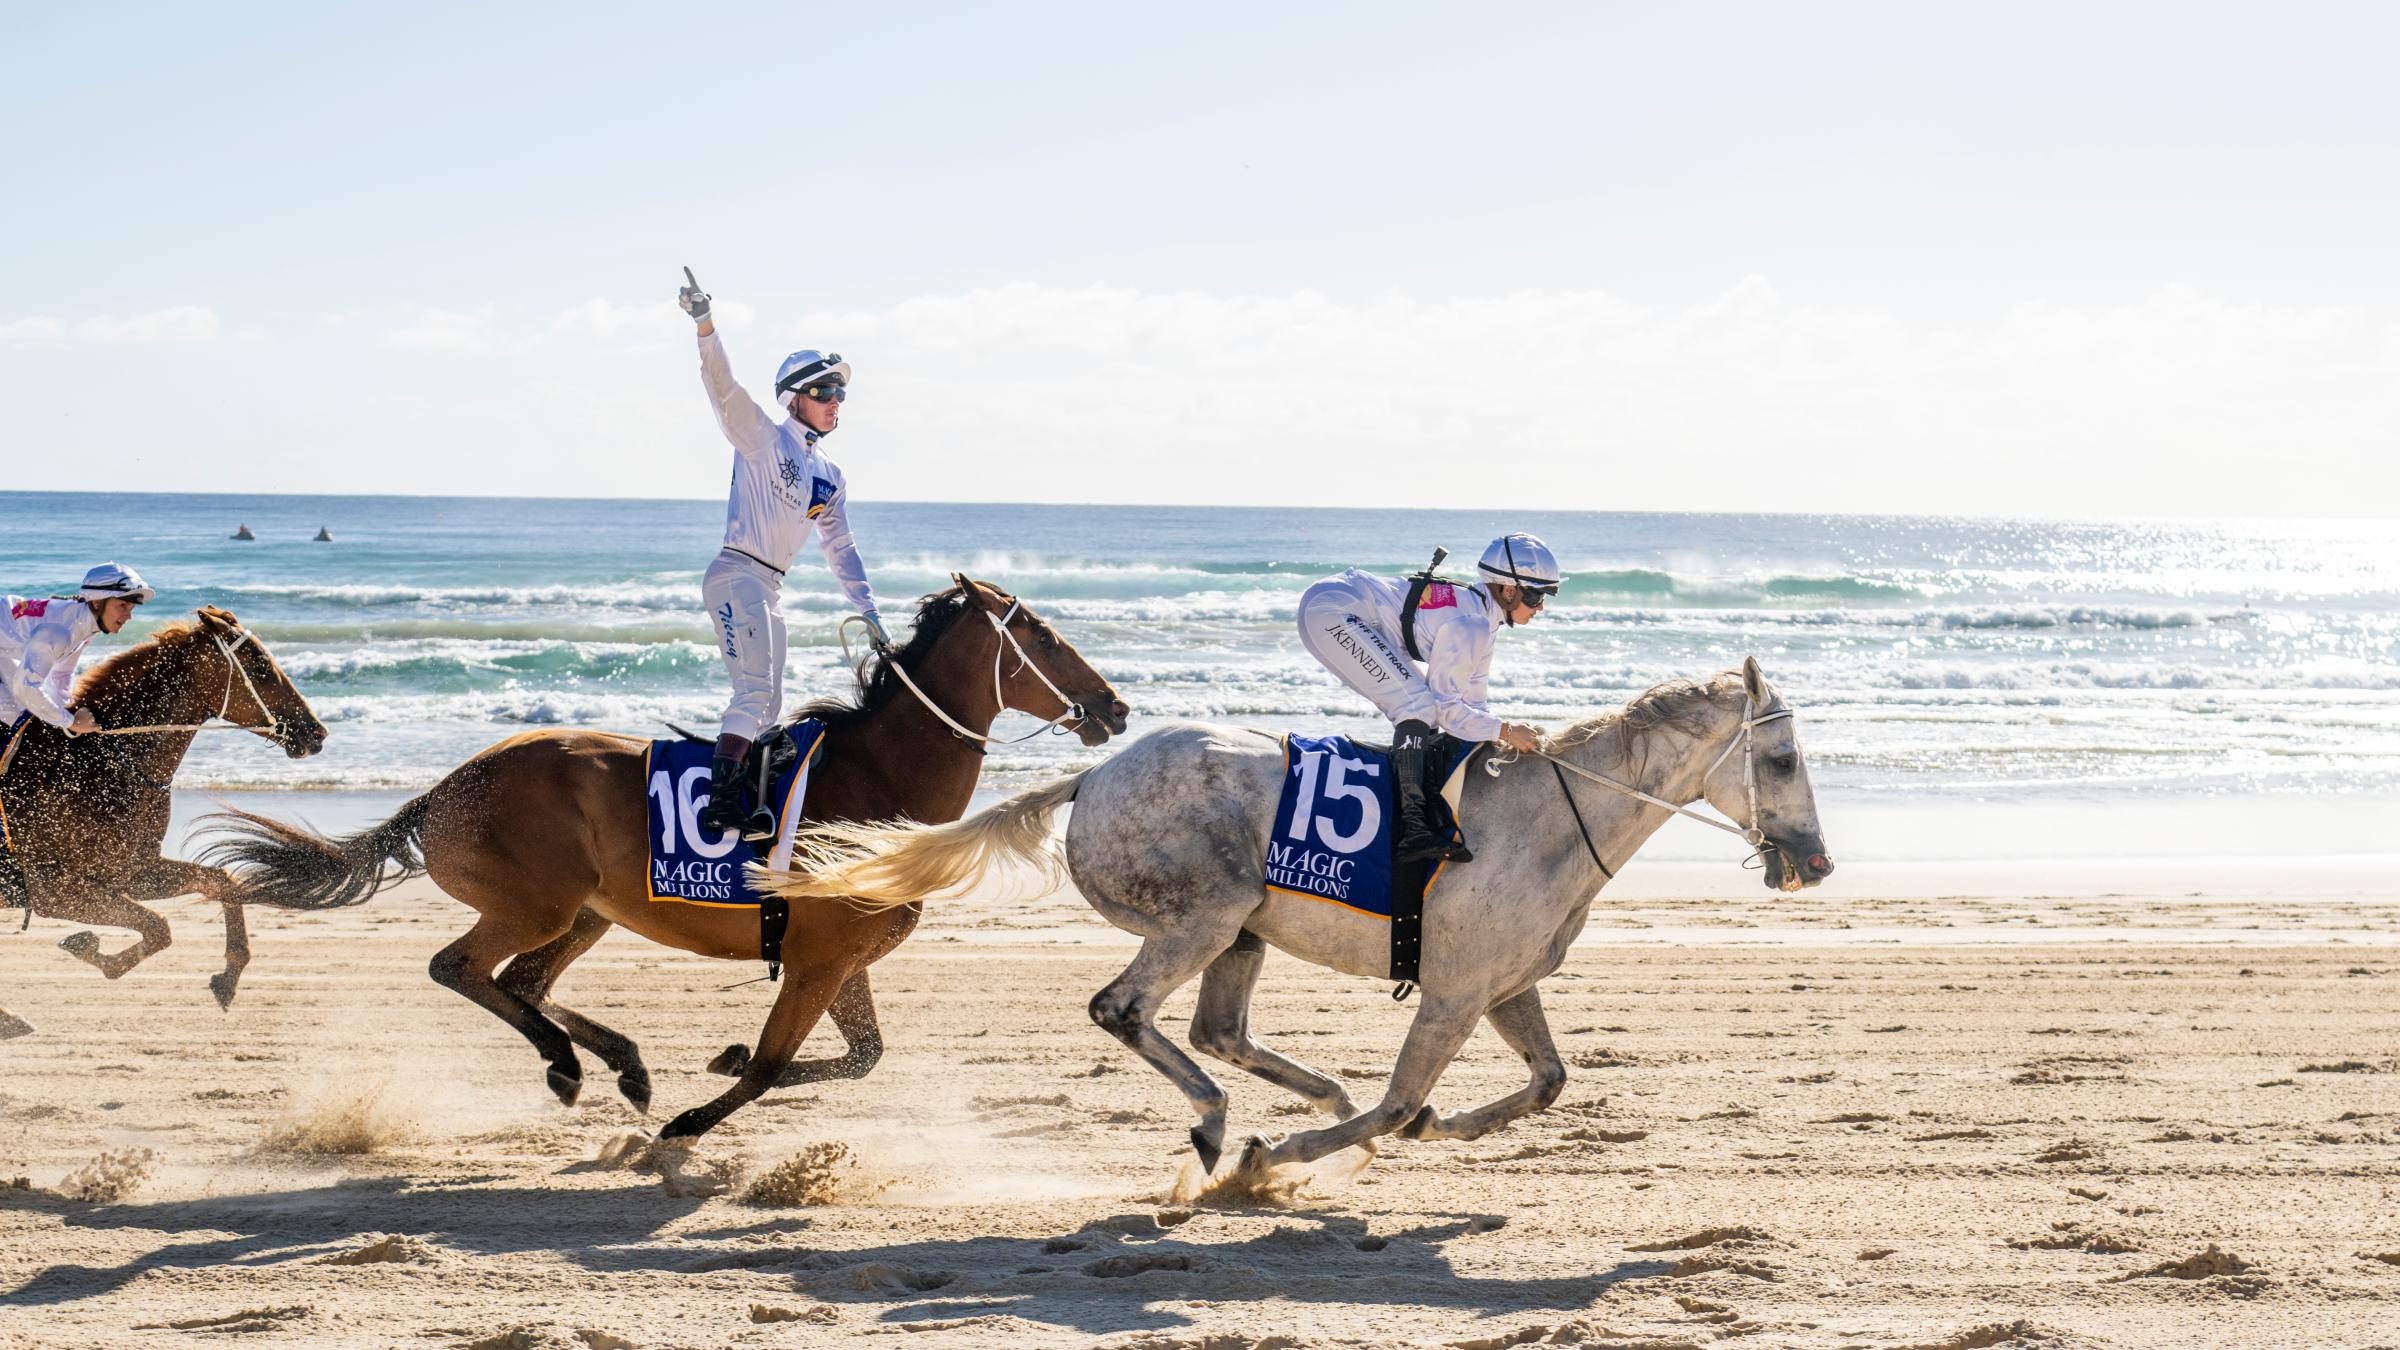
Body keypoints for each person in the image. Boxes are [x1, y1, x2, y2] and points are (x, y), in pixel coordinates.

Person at [677, 268, 888, 839]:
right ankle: (720, 805)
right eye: (823, 392)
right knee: (754, 693)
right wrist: (705, 325)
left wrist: (868, 609)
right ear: (795, 399)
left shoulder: (831, 474)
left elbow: (840, 546)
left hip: (769, 586)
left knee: (769, 703)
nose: (835, 402)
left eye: (840, 393)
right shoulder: (762, 439)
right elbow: (723, 388)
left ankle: (750, 796)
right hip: (736, 573)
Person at [1295, 534, 1560, 862]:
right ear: (1508, 590)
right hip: (1332, 611)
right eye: (1536, 595)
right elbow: (1448, 711)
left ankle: (1425, 811)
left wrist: (1502, 734)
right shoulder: (1471, 624)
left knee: (1424, 707)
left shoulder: (1484, 622)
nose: (1541, 607)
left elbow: (1474, 705)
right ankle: (1414, 829)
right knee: (1419, 706)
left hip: (1337, 604)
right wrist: (1506, 731)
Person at [1, 563, 154, 929]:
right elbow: (27, 687)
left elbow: (62, 676)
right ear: (98, 602)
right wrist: (69, 721)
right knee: (16, 717)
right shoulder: (59, 629)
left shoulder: (84, 626)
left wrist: (68, 714)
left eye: (131, 608)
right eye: (122, 606)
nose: (128, 616)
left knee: (30, 716)